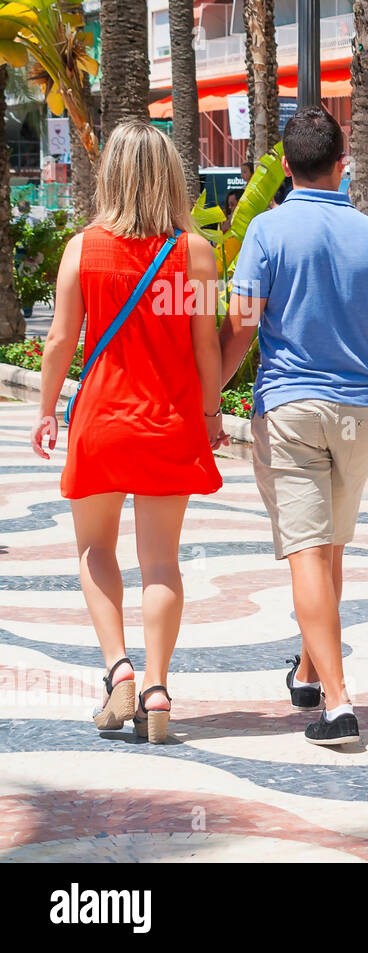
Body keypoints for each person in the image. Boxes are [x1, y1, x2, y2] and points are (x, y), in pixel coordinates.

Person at [219, 108, 368, 746]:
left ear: (285, 167)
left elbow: (240, 329)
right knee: (328, 549)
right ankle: (306, 668)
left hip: (292, 408)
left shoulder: (265, 234)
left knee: (306, 552)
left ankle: (337, 700)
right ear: (340, 162)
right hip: (364, 413)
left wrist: (204, 400)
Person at [29, 121, 226, 743]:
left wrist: (44, 410)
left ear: (110, 174)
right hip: (168, 423)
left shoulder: (81, 249)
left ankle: (119, 668)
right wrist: (212, 414)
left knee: (94, 551)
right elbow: (206, 350)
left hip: (102, 423)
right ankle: (158, 689)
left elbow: (61, 340)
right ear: (170, 176)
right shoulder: (196, 253)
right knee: (162, 561)